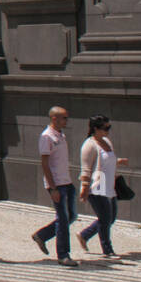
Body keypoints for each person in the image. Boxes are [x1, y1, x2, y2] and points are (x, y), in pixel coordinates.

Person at [77, 115, 129, 259]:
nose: (108, 130)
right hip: (97, 186)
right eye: (105, 128)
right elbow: (86, 168)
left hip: (109, 185)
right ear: (95, 128)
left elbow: (108, 160)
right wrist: (85, 187)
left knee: (110, 218)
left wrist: (119, 161)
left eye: (109, 127)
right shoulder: (89, 145)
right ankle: (107, 250)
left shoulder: (106, 141)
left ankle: (84, 235)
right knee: (105, 218)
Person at [32, 106, 78, 266]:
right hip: (57, 184)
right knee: (63, 220)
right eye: (64, 118)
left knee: (71, 216)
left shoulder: (60, 135)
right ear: (54, 118)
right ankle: (63, 255)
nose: (66, 121)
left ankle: (42, 235)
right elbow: (45, 164)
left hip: (67, 181)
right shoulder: (47, 137)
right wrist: (52, 188)